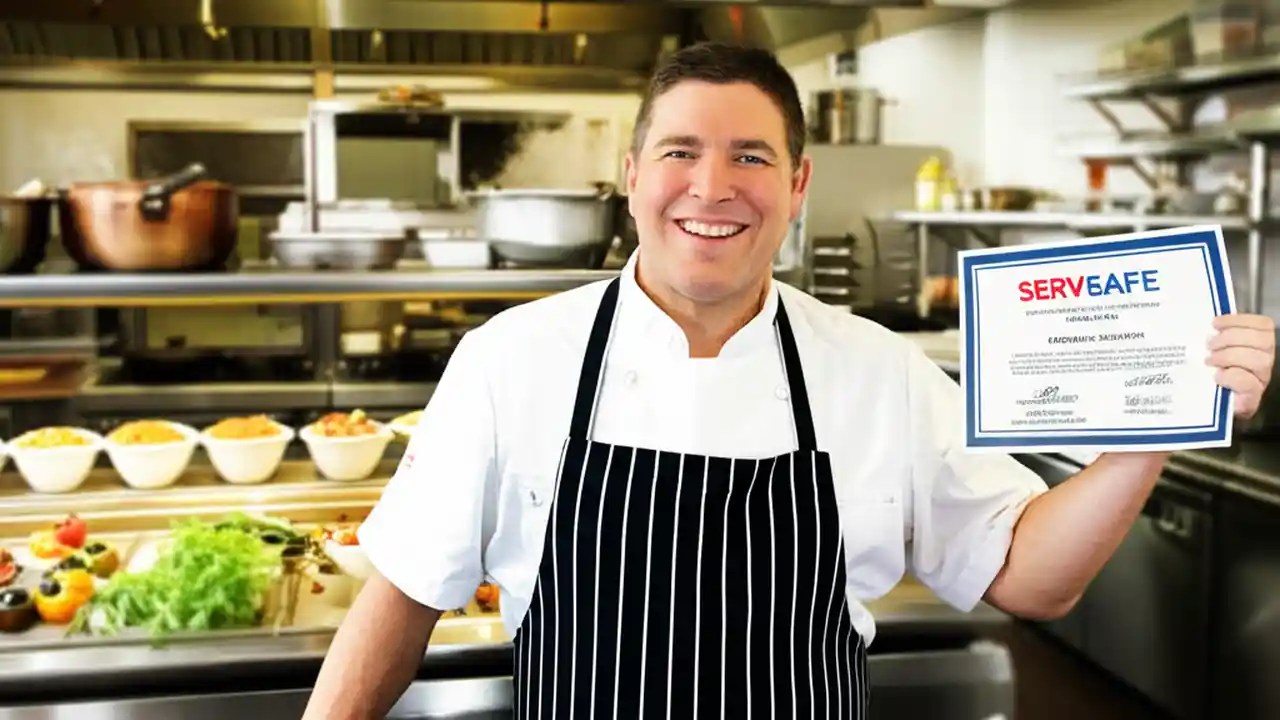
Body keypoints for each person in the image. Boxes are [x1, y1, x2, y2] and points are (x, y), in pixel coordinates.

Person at [304, 42, 1276, 720]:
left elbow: (1031, 579)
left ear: (798, 186)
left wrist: (1158, 422)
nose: (711, 186)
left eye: (750, 156)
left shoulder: (876, 370)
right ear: (633, 174)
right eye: (680, 152)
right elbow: (403, 594)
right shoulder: (510, 357)